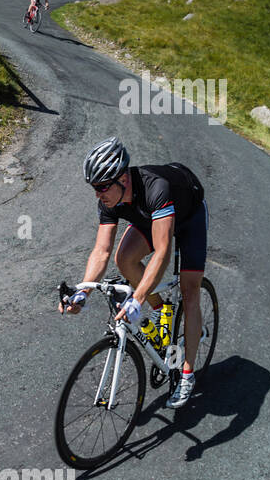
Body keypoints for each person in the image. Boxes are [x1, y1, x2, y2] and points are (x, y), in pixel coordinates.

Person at [59, 137, 208, 408]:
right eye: (94, 187)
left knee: (189, 291)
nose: (97, 194)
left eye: (103, 187)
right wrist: (84, 291)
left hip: (189, 216)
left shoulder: (156, 188)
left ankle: (186, 373)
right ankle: (161, 308)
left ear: (123, 179)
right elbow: (101, 251)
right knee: (123, 259)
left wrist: (137, 300)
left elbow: (162, 252)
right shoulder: (108, 199)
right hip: (150, 217)